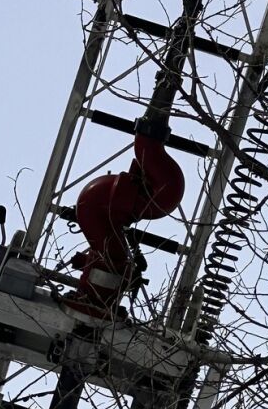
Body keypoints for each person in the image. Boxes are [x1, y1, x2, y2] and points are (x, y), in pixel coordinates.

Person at [64, 131, 185, 320]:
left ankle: (151, 125)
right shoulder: (99, 202)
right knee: (113, 256)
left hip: (102, 202)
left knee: (113, 256)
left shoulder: (95, 199)